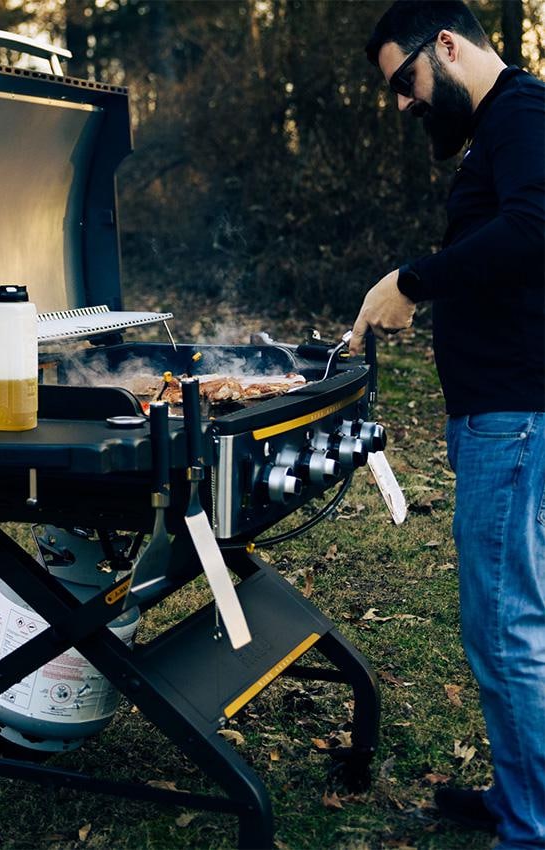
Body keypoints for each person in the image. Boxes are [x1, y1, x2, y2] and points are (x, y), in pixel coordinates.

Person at [349, 3, 545, 849]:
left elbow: (537, 229)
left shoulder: (525, 113)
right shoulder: (506, 126)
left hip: (518, 417)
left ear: (451, 46)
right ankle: (519, 796)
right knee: (513, 620)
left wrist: (415, 281)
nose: (402, 103)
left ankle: (530, 828)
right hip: (501, 414)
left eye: (406, 81)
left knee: (503, 628)